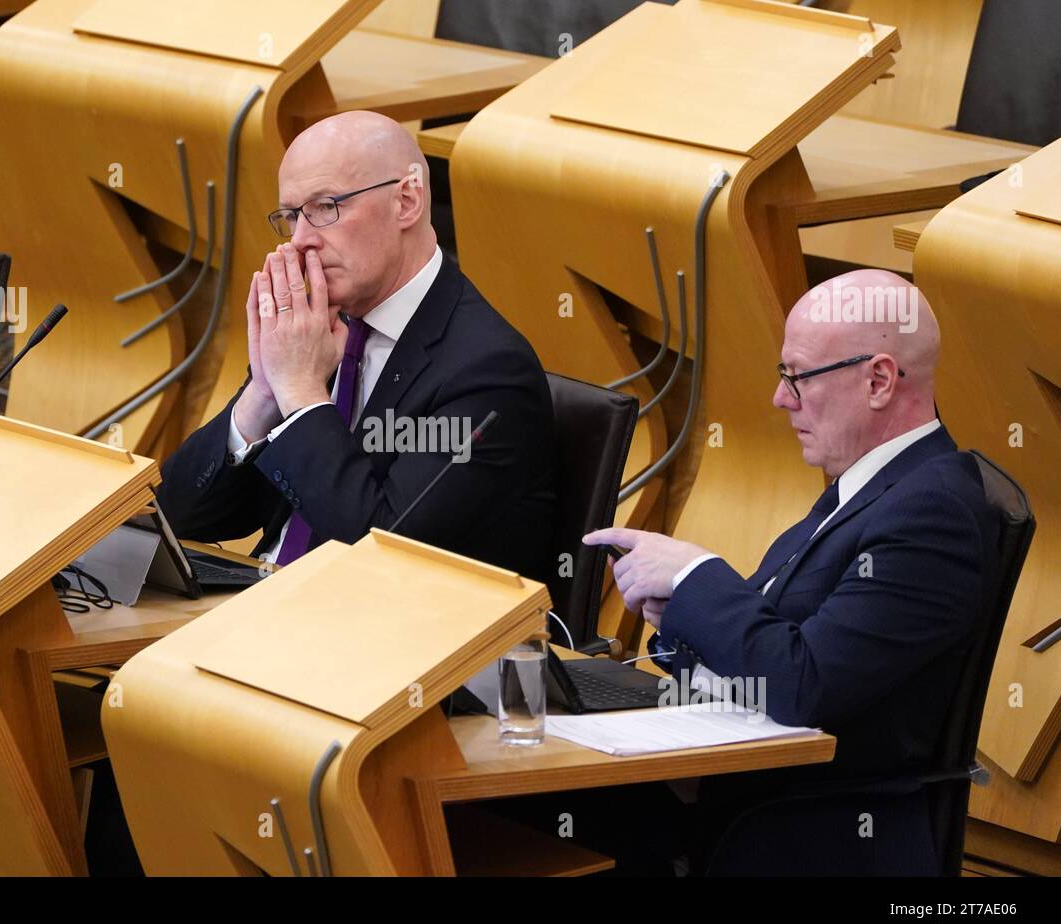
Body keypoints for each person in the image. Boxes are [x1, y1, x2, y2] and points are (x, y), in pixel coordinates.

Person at [584, 269, 1000, 874]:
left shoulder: (931, 513)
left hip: (806, 837)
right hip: (741, 792)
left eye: (797, 376)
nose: (781, 398)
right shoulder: (866, 488)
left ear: (879, 380)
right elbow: (779, 637)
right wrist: (684, 611)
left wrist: (696, 574)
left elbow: (805, 683)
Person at [157, 111, 555, 579]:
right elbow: (180, 517)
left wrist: (303, 394)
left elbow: (380, 552)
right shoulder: (315, 331)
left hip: (391, 635)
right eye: (290, 216)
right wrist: (263, 395)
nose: (301, 240)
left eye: (326, 207)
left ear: (406, 201)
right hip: (260, 605)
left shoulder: (487, 373)